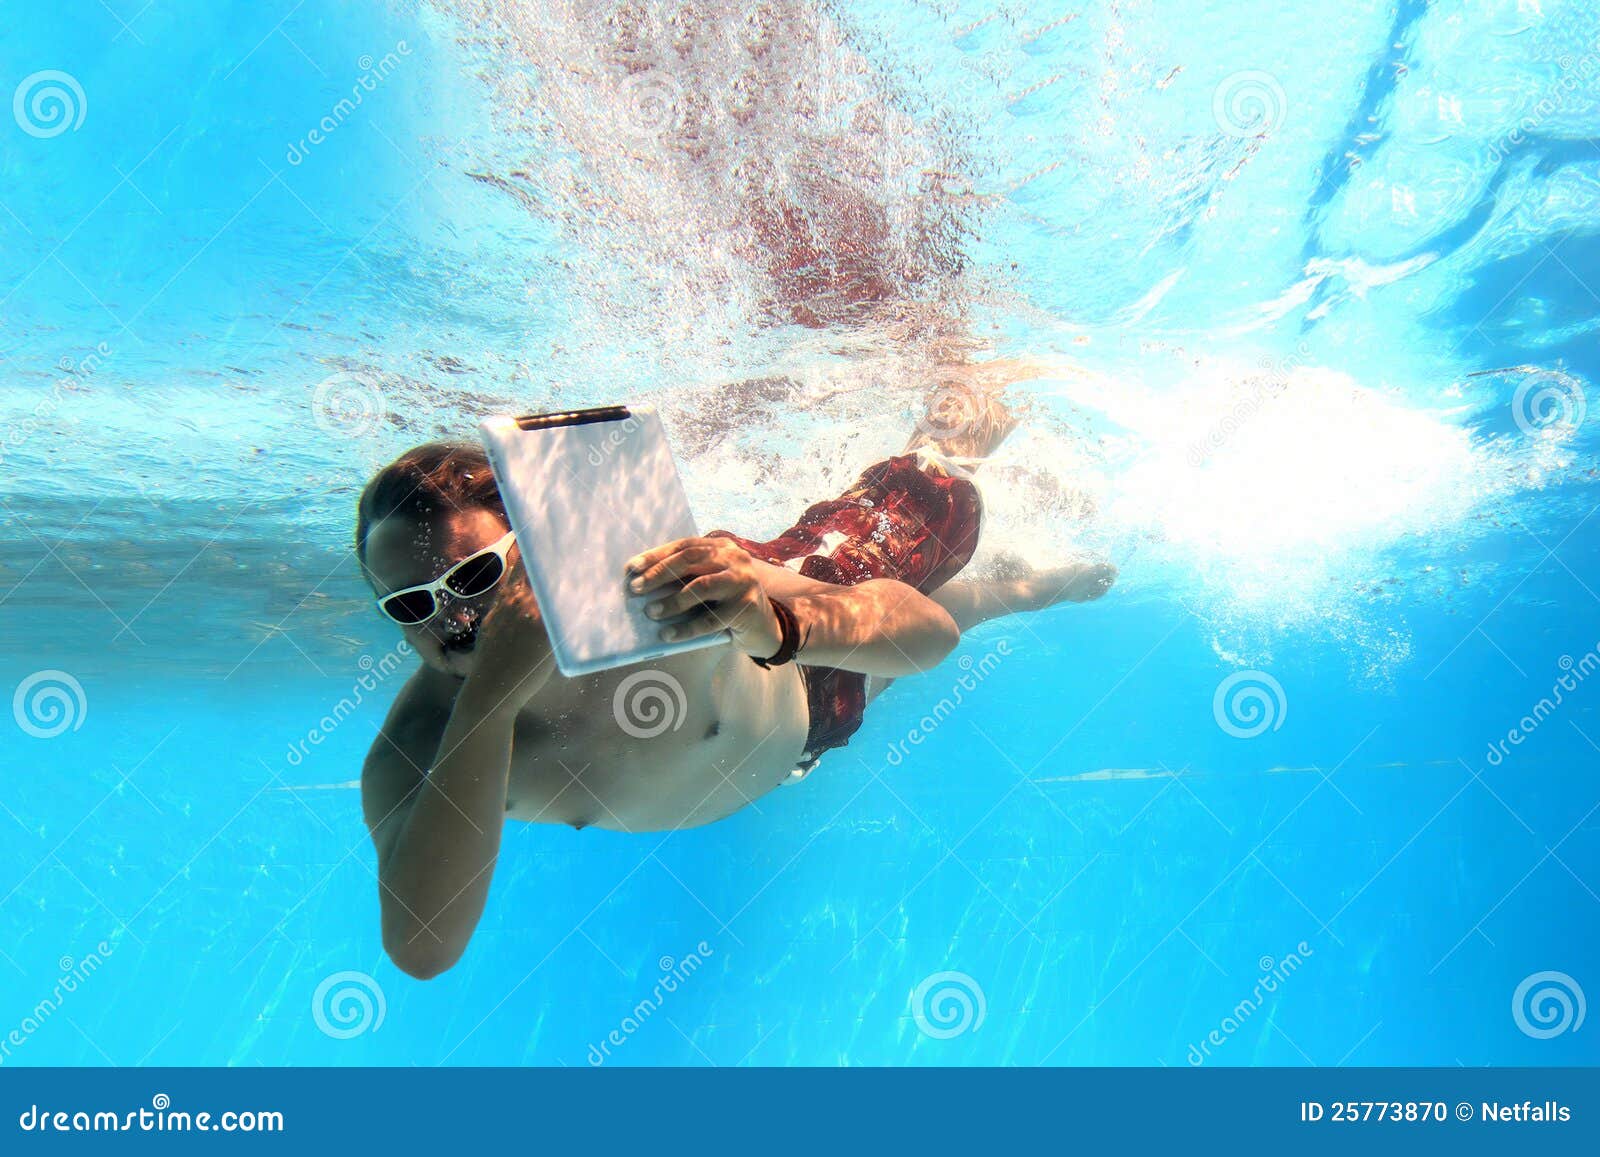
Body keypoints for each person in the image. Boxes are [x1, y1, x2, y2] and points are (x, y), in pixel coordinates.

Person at [355, 382, 1114, 978]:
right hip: (799, 748)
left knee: (941, 484)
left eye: (477, 575)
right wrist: (491, 695)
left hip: (799, 659)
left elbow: (925, 634)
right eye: (412, 603)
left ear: (537, 550)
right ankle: (1022, 586)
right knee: (975, 603)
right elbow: (424, 948)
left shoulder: (655, 586)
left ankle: (977, 360)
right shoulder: (422, 747)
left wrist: (774, 623)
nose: (451, 619)